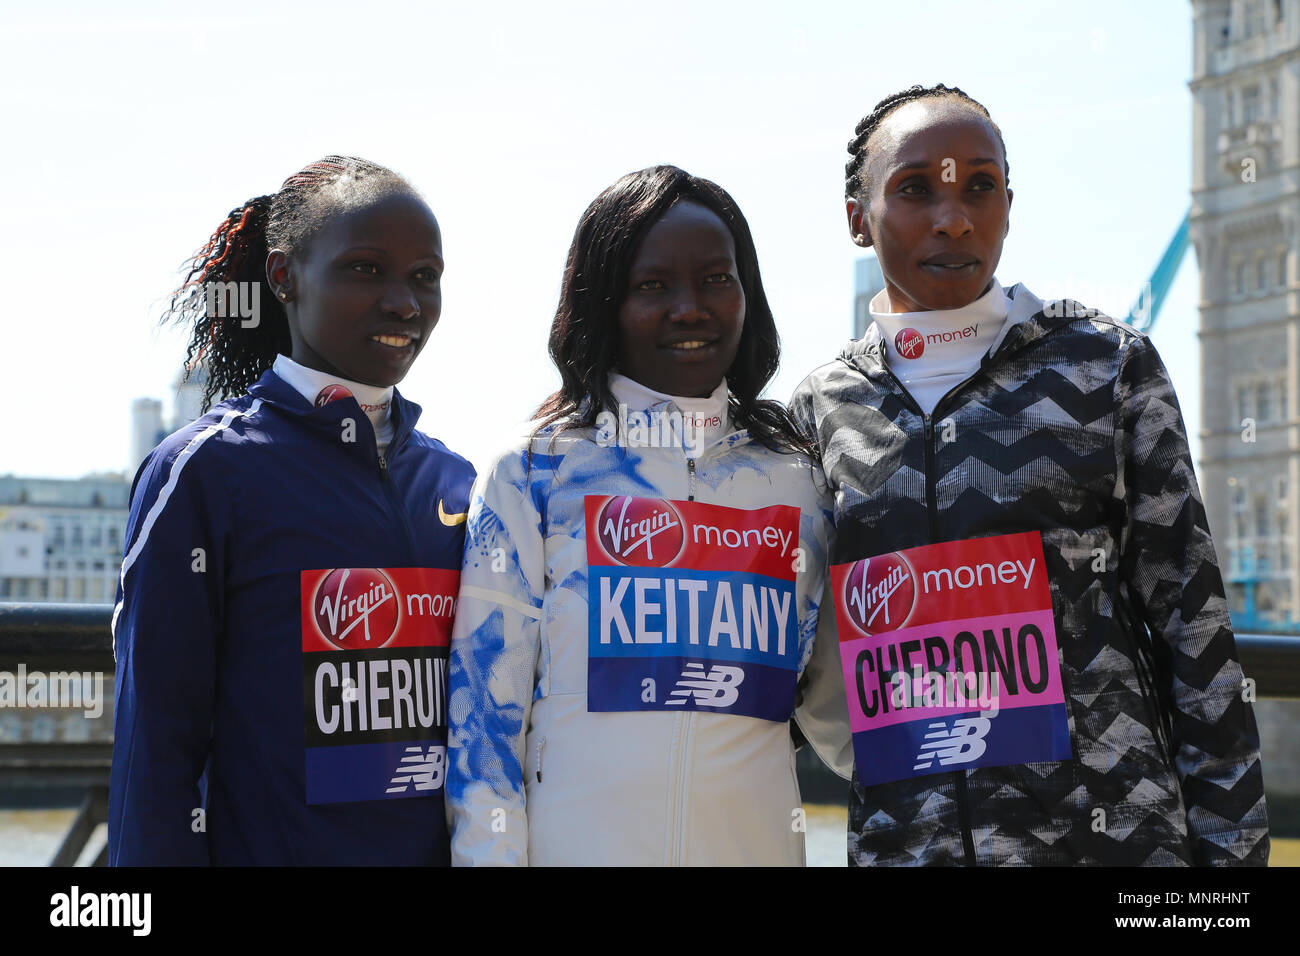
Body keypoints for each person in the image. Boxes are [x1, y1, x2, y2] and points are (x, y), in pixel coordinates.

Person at [790, 84, 1270, 867]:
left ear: (1009, 203)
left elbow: (1197, 638)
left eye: (980, 185)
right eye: (915, 189)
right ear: (856, 217)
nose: (953, 217)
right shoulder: (820, 412)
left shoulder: (1107, 368)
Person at [445, 165, 850, 866]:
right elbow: (483, 731)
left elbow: (839, 718)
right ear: (602, 303)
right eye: (652, 285)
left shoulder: (799, 482)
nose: (688, 308)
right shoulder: (534, 474)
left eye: (716, 280)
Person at [109, 156, 474, 865]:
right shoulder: (203, 471)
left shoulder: (455, 481)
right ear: (283, 278)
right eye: (366, 269)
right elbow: (156, 747)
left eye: (424, 276)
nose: (404, 301)